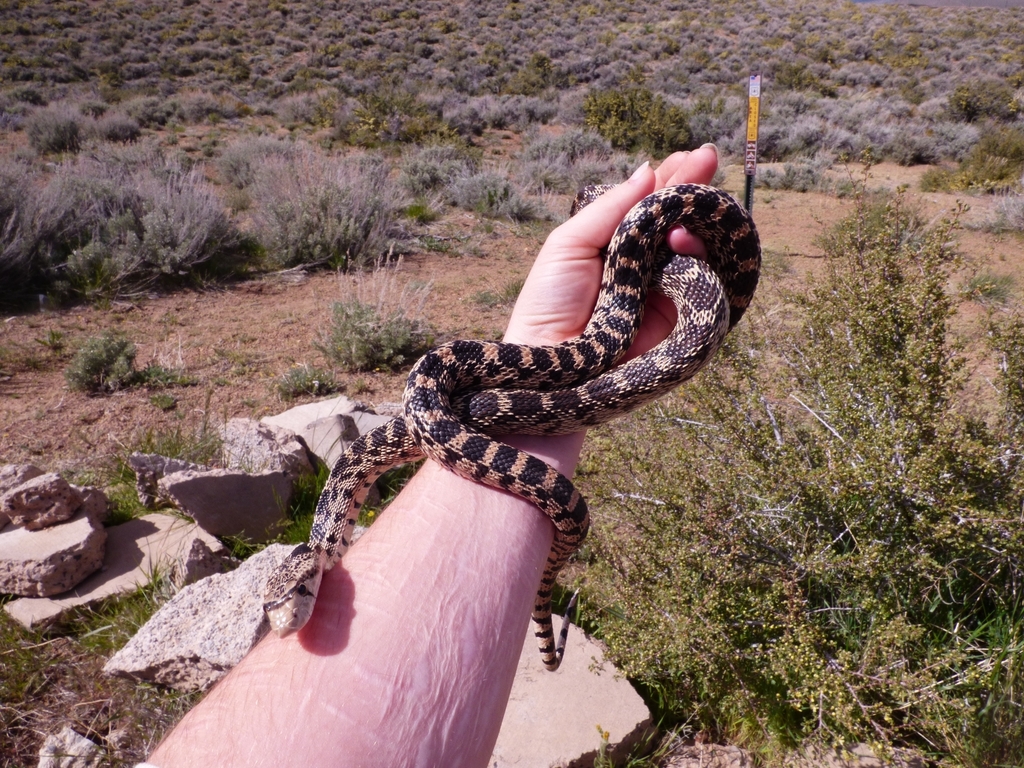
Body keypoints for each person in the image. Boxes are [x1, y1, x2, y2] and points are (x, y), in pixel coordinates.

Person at [144, 145, 719, 768]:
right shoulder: (328, 530)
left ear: (307, 572)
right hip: (530, 394)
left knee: (668, 260)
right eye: (287, 604)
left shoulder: (357, 485)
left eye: (295, 597)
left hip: (554, 357)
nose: (291, 617)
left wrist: (622, 257)